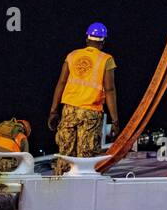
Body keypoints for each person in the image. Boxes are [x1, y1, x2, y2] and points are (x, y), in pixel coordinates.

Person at [48, 22, 119, 170]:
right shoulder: (106, 59)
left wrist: (53, 111)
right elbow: (110, 89)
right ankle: (83, 189)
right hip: (90, 113)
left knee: (65, 154)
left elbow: (61, 83)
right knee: (86, 157)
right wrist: (115, 120)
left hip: (69, 111)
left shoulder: (72, 56)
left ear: (87, 39)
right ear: (103, 41)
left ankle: (61, 187)